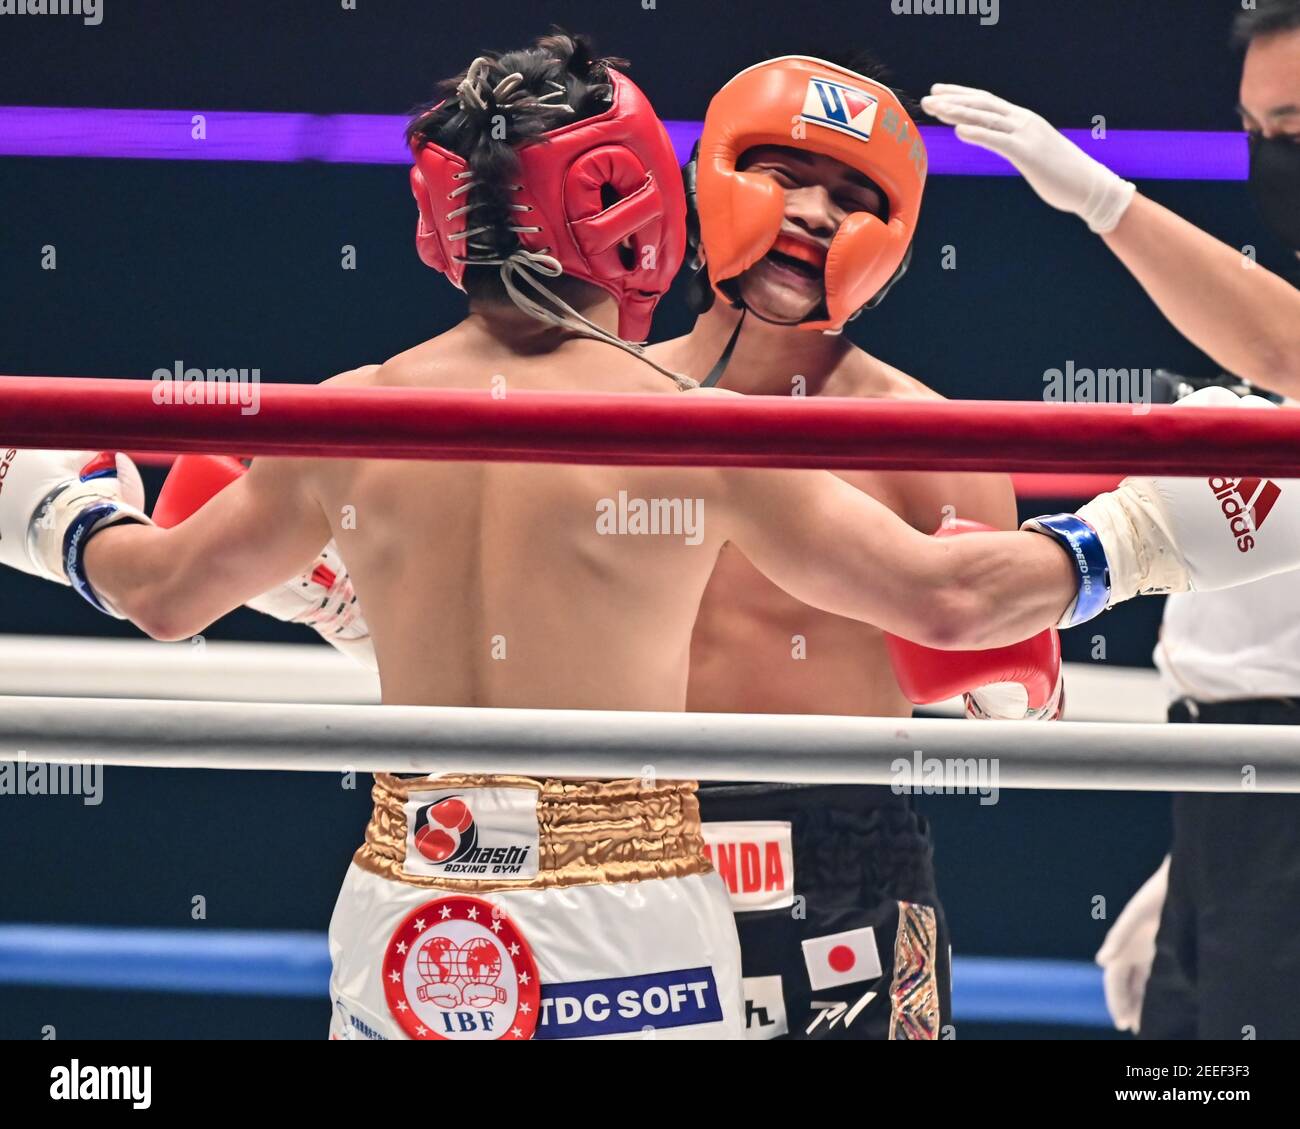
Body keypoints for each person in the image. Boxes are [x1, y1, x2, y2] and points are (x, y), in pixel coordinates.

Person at [2, 34, 1297, 1044]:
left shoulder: (345, 414)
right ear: (637, 201)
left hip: (412, 891)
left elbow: (159, 590)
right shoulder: (692, 430)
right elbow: (959, 601)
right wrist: (1149, 529)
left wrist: (56, 512)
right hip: (629, 899)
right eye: (778, 175)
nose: (804, 213)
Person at [647, 54, 1052, 1042]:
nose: (817, 215)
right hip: (624, 826)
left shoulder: (926, 438)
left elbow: (1011, 692)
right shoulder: (603, 407)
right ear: (710, 183)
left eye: (852, 197)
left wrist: (1000, 687)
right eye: (785, 178)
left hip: (842, 851)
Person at [928, 1, 1300, 1038]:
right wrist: (1203, 854)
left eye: (1297, 129)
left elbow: (1287, 355)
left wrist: (1099, 199)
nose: (1275, 157)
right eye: (1258, 132)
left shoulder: (1275, 337)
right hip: (1229, 798)